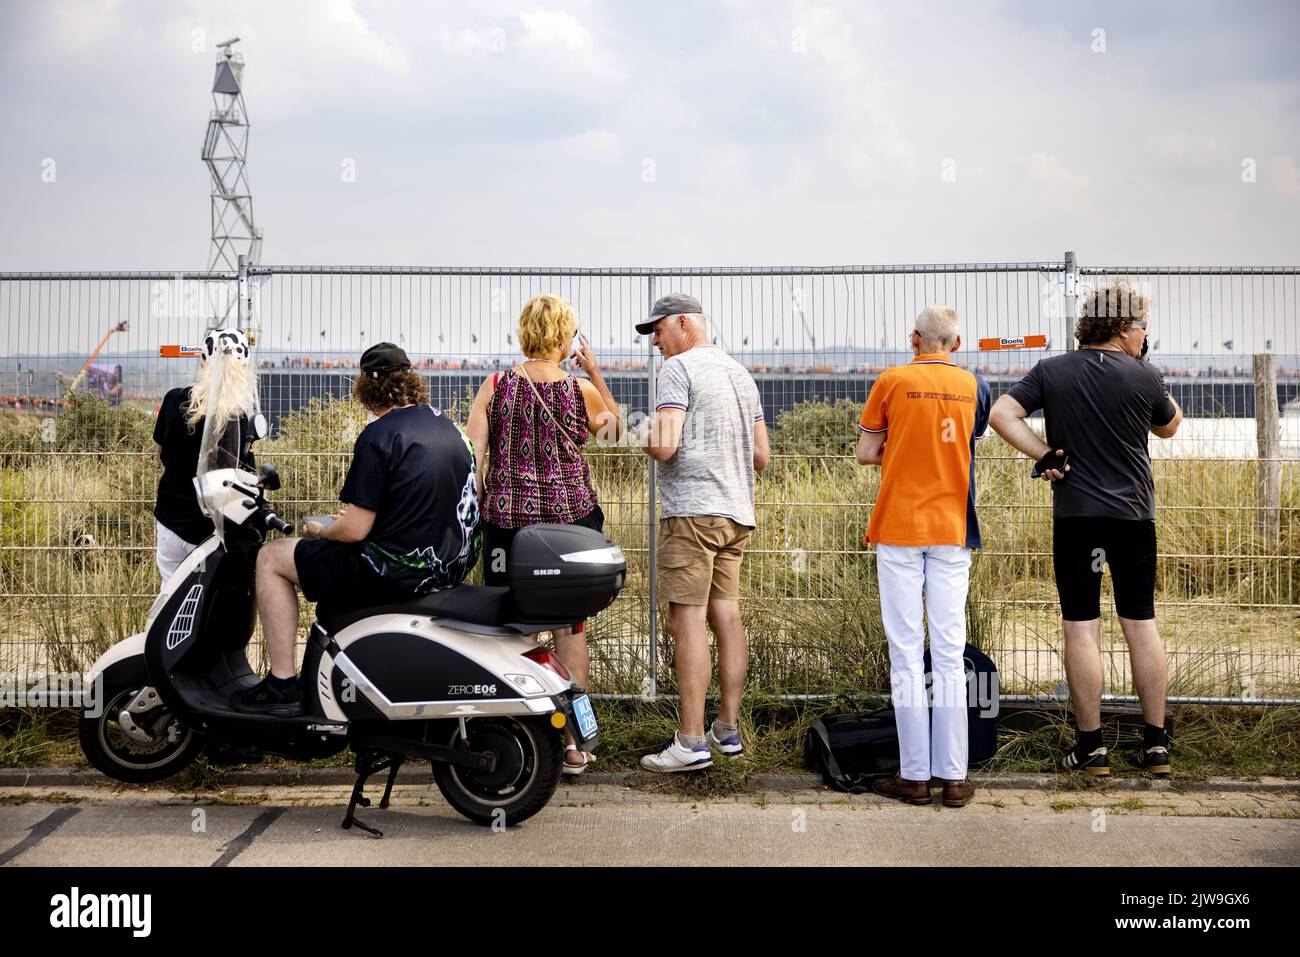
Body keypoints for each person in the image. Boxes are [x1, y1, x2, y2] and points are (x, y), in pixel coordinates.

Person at [989, 279, 1182, 777]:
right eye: (1142, 326)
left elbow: (1001, 414)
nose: (1145, 334)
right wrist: (1148, 373)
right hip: (1134, 517)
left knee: (1081, 627)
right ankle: (1156, 746)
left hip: (1077, 517)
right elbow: (1169, 426)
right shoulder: (1144, 374)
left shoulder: (1052, 370)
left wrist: (1045, 454)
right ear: (1122, 327)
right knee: (1140, 624)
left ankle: (1091, 749)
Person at [233, 342, 481, 714]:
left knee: (271, 557)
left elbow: (354, 530)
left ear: (366, 387)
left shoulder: (379, 436)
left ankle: (281, 684)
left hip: (394, 571)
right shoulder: (450, 429)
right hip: (448, 566)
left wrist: (320, 531)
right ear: (412, 380)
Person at [466, 294, 622, 774]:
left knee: (510, 627)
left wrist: (481, 504)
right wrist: (595, 373)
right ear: (564, 338)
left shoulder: (494, 387)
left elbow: (474, 457)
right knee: (570, 629)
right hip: (570, 527)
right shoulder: (580, 392)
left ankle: (519, 735)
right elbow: (614, 435)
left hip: (507, 528)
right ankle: (575, 743)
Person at [855, 307, 990, 808]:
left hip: (899, 527)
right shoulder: (977, 386)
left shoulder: (891, 381)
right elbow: (966, 449)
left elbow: (867, 453)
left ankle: (913, 775)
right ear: (956, 344)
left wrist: (902, 445)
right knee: (951, 653)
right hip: (953, 528)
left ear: (915, 339)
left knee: (906, 652)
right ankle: (954, 777)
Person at [635, 294, 769, 772]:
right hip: (736, 514)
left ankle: (690, 743)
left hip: (692, 514)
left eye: (659, 330)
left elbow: (665, 447)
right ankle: (726, 731)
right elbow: (761, 456)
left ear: (684, 323)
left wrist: (637, 432)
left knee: (685, 621)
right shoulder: (740, 374)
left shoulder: (678, 370)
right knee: (726, 617)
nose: (655, 342)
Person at [152, 329, 257, 583]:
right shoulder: (240, 417)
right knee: (211, 602)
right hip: (213, 528)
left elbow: (161, 454)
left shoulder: (174, 399)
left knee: (172, 595)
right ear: (244, 365)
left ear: (202, 360)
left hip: (171, 519)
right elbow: (245, 477)